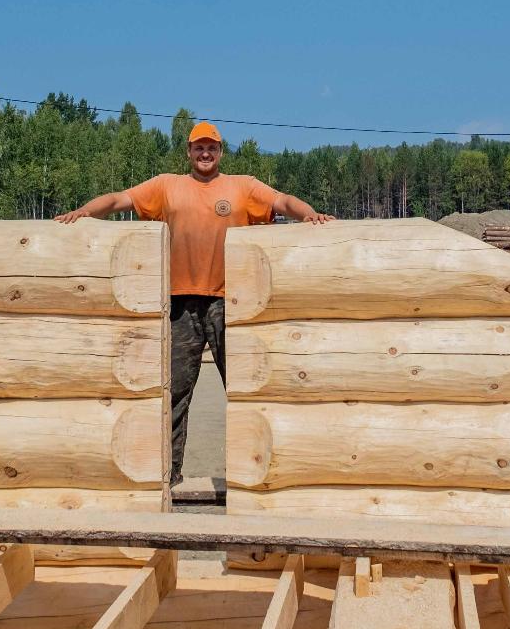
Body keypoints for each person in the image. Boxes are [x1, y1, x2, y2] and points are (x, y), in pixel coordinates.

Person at [56, 121, 332, 484]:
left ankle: (251, 479)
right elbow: (118, 200)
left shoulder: (242, 187)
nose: (205, 154)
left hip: (232, 304)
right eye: (199, 148)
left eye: (212, 148)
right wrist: (83, 212)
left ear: (220, 153)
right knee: (174, 394)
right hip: (179, 305)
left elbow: (282, 201)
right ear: (188, 151)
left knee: (244, 391)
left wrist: (309, 214)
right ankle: (168, 478)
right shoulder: (166, 186)